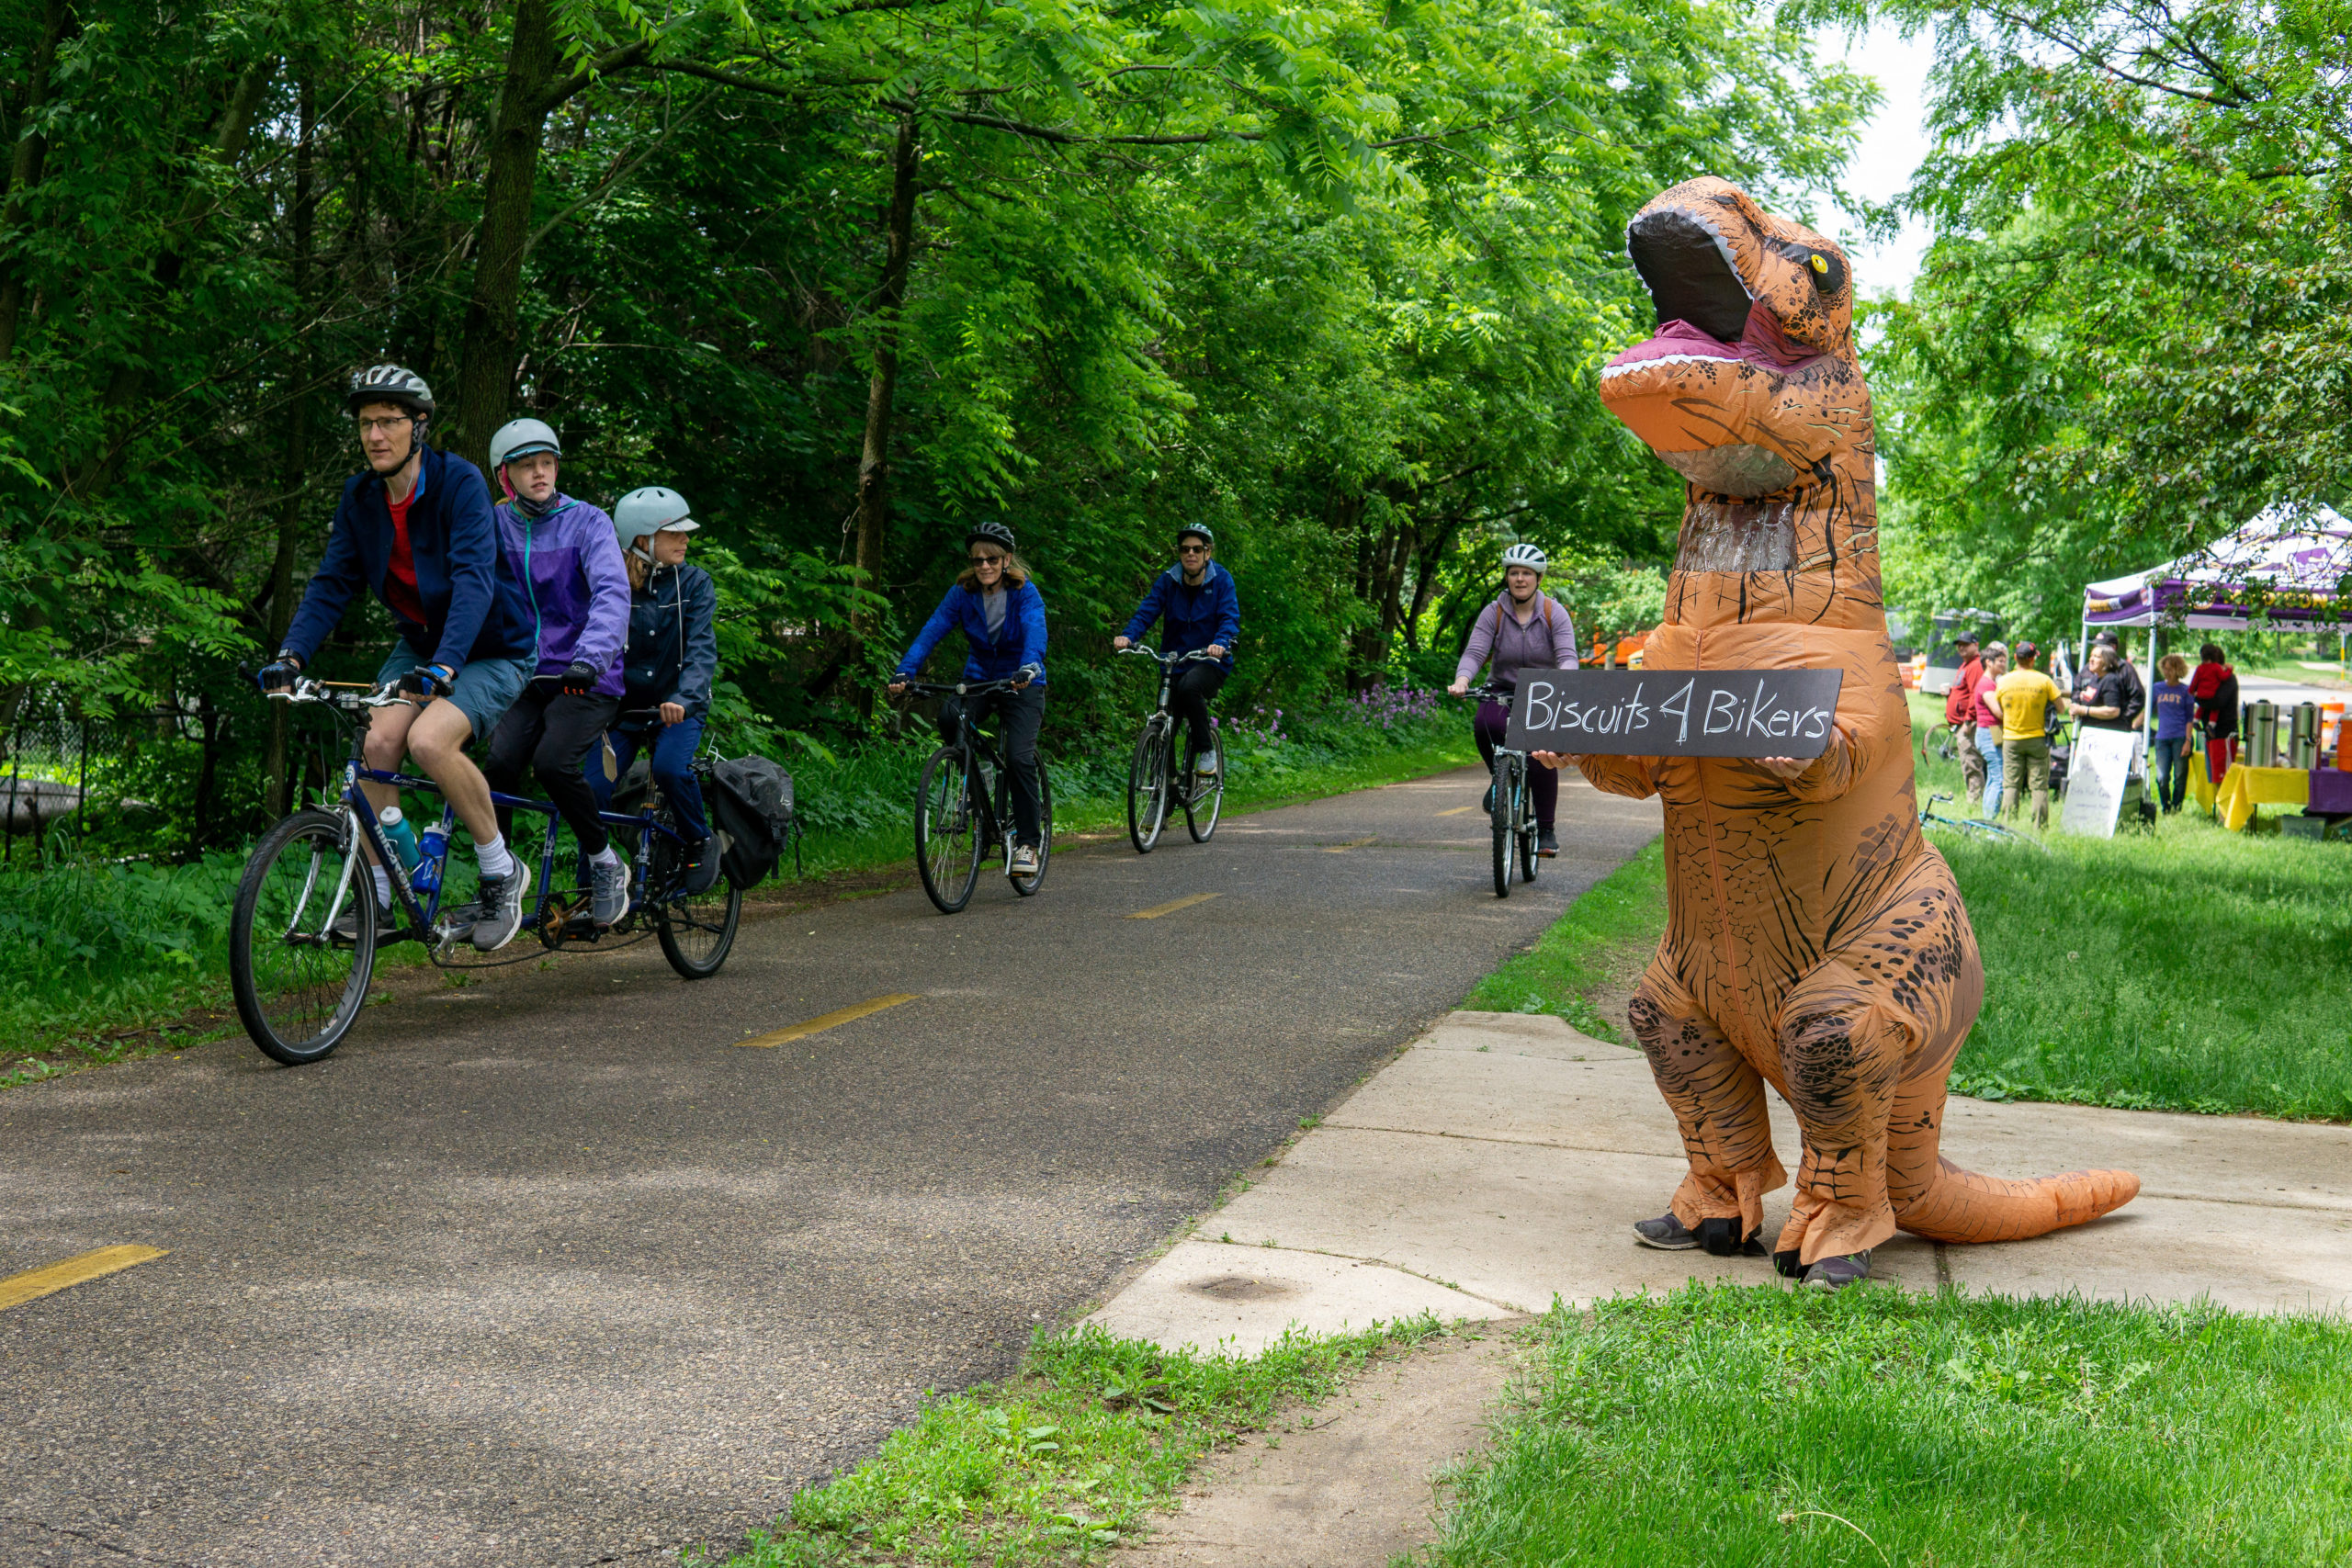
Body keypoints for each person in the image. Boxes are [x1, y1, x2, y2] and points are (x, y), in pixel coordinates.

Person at [258, 365, 537, 949]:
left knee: (429, 741)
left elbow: (472, 582)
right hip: (421, 641)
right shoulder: (361, 499)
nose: (375, 435)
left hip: (492, 645)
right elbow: (333, 581)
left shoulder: (458, 483)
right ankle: (383, 893)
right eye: (366, 424)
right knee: (377, 746)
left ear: (419, 426)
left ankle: (500, 869)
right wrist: (291, 656)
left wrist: (445, 668)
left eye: (389, 421)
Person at [475, 418, 633, 929]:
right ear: (506, 477)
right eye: (526, 466)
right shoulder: (495, 525)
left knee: (552, 763)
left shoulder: (588, 521)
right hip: (522, 674)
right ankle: (499, 880)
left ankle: (605, 862)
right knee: (496, 766)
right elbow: (469, 589)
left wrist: (591, 657)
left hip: (587, 673)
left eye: (546, 463)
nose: (539, 473)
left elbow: (613, 591)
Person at [888, 522, 1048, 878]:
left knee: (1019, 757)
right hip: (979, 679)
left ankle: (1027, 843)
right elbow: (932, 629)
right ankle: (978, 777)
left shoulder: (1025, 592)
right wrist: (905, 671)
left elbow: (1035, 631)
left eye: (991, 559)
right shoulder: (962, 593)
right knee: (949, 717)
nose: (984, 566)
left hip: (1023, 680)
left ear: (1006, 560)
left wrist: (1029, 667)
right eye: (977, 560)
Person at [590, 486, 721, 895]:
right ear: (643, 541)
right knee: (590, 787)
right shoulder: (613, 584)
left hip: (680, 706)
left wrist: (684, 698)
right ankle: (595, 877)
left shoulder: (696, 584)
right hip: (624, 713)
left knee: (668, 768)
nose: (686, 540)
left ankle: (700, 841)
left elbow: (701, 651)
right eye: (675, 533)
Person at [1448, 544, 1580, 856]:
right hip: (1502, 686)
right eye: (1514, 573)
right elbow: (1476, 651)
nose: (1520, 579)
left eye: (1526, 574)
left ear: (1538, 578)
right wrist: (1462, 679)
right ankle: (1500, 781)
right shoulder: (1494, 611)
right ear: (1507, 577)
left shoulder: (1553, 612)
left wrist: (1566, 679)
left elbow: (1567, 656)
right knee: (1484, 724)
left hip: (1542, 691)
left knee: (1540, 752)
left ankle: (1546, 829)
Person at [1113, 525, 1239, 784]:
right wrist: (1128, 637)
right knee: (1164, 725)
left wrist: (1221, 642)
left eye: (1196, 549)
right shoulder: (1169, 581)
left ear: (1208, 553)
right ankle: (1163, 793)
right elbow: (1146, 611)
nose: (1190, 554)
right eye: (1184, 549)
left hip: (1210, 661)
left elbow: (1229, 618)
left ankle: (1206, 751)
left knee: (1190, 688)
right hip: (1174, 662)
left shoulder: (1221, 580)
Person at [1995, 640, 2070, 829]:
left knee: (2011, 785)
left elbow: (1999, 710)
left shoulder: (2004, 681)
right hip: (2037, 739)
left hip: (2011, 739)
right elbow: (2061, 709)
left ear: (2015, 658)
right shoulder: (2044, 681)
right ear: (2033, 659)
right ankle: (2040, 827)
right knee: (2039, 786)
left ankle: (2008, 825)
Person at [1943, 630, 1984, 806]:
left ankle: (1974, 803)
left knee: (1971, 764)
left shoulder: (1975, 665)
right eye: (1959, 644)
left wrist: (1968, 721)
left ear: (1976, 645)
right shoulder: (1965, 665)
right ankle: (1973, 800)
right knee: (1967, 764)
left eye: (1965, 644)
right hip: (1961, 723)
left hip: (1968, 724)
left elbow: (1976, 694)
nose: (1961, 647)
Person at [2150, 652, 2194, 813]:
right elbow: (2147, 709)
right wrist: (2135, 724)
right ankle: (2165, 806)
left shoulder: (2185, 691)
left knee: (2180, 776)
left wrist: (2188, 740)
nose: (2167, 672)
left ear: (2178, 670)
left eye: (2170, 669)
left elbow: (2190, 718)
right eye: (2165, 669)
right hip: (2162, 738)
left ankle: (2176, 807)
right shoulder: (2157, 688)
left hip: (2180, 737)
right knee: (2162, 776)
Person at [2191, 642, 2239, 786]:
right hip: (2210, 733)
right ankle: (2218, 806)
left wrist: (2198, 697)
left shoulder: (2228, 679)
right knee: (2214, 775)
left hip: (2225, 733)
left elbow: (2217, 702)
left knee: (2224, 777)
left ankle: (2223, 808)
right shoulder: (2207, 675)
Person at [1972, 645, 2008, 818]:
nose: (2004, 664)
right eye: (2001, 661)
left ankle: (1987, 816)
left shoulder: (1991, 682)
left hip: (1991, 732)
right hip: (1988, 733)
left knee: (1994, 777)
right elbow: (1999, 712)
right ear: (1989, 662)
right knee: (1999, 778)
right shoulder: (1986, 684)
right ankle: (1990, 820)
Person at [2089, 628, 2145, 730]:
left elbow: (2138, 697)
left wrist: (2123, 719)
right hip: (2091, 726)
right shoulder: (2090, 666)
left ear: (2113, 648)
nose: (2095, 649)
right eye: (2095, 646)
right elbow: (2077, 688)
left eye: (2100, 647)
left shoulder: (2125, 669)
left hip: (2115, 729)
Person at [2072, 645, 2135, 732]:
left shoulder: (2110, 680)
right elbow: (2096, 698)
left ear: (2107, 661)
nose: (2091, 660)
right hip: (2091, 731)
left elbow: (2113, 711)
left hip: (2106, 735)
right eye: (2091, 656)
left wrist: (2083, 710)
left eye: (2096, 657)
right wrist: (2082, 698)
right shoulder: (2096, 678)